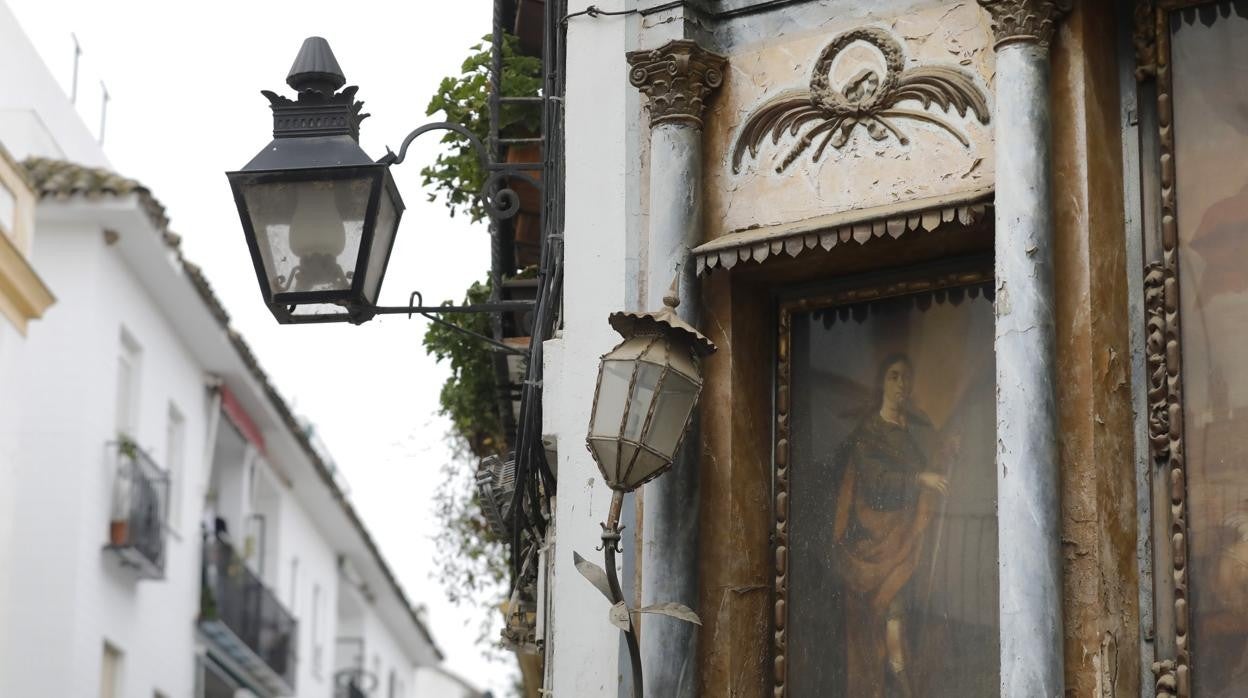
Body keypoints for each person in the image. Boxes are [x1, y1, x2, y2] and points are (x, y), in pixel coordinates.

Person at [832, 354, 949, 697]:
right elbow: (876, 482)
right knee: (891, 625)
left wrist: (943, 456)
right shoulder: (869, 433)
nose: (902, 384)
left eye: (906, 378)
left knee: (904, 624)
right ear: (881, 383)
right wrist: (920, 478)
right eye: (894, 376)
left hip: (904, 542)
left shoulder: (909, 433)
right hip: (875, 545)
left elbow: (926, 472)